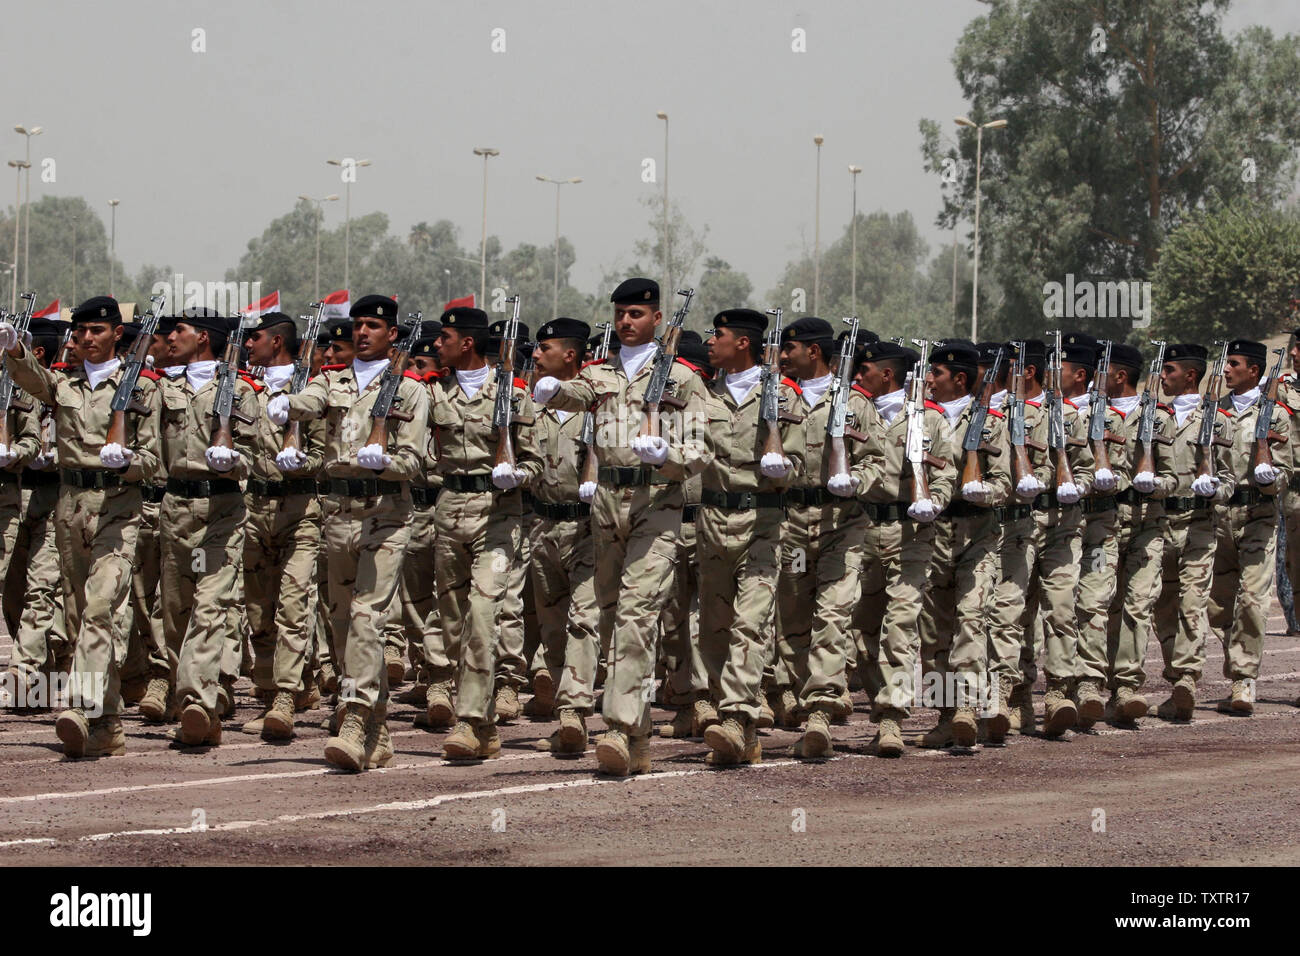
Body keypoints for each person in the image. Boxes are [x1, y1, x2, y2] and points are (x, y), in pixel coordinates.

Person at [531, 278, 712, 775]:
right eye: (620, 314)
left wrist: (669, 456)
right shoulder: (599, 373)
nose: (626, 322)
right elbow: (569, 393)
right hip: (606, 501)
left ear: (656, 319)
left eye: (636, 314)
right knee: (608, 617)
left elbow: (700, 449)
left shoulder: (682, 378)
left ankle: (616, 725)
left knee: (637, 614)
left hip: (657, 502)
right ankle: (639, 734)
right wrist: (547, 387)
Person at [269, 295, 429, 769]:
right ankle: (377, 725)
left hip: (386, 512)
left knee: (366, 617)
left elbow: (417, 460)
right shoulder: (331, 380)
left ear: (392, 335)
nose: (362, 333)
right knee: (341, 623)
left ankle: (356, 718)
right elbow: (311, 402)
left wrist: (391, 461)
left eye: (373, 326)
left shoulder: (410, 391)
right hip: (338, 514)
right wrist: (286, 407)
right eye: (357, 325)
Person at [0, 296, 160, 756]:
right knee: (77, 618)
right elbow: (34, 380)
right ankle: (107, 723)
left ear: (115, 334)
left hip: (116, 505)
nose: (86, 339)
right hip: (70, 506)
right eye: (80, 332)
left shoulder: (141, 388)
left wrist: (128, 461)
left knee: (98, 608)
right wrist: (15, 351)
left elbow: (153, 461)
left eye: (96, 331)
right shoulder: (65, 382)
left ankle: (81, 702)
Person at [427, 306, 540, 759]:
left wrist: (518, 475)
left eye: (445, 337)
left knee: (483, 612)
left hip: (498, 515)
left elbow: (535, 462)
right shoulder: (434, 393)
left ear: (467, 343)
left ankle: (470, 720)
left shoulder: (513, 394)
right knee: (453, 620)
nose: (437, 344)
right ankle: (486, 722)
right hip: (449, 510)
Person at [238, 312, 326, 739]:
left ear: (276, 342)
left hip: (300, 508)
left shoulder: (313, 389)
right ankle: (271, 686)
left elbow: (328, 452)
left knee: (293, 604)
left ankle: (285, 698)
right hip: (254, 507)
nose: (247, 344)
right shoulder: (245, 388)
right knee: (258, 607)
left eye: (254, 338)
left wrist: (306, 462)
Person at [1210, 339, 1292, 715]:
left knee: (1253, 599)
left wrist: (1269, 476)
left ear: (1254, 371)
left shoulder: (1274, 414)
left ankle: (1243, 678)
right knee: (1217, 603)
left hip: (1259, 516)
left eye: (1234, 364)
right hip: (1220, 518)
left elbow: (1285, 473)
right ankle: (1238, 657)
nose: (1226, 370)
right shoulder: (1214, 412)